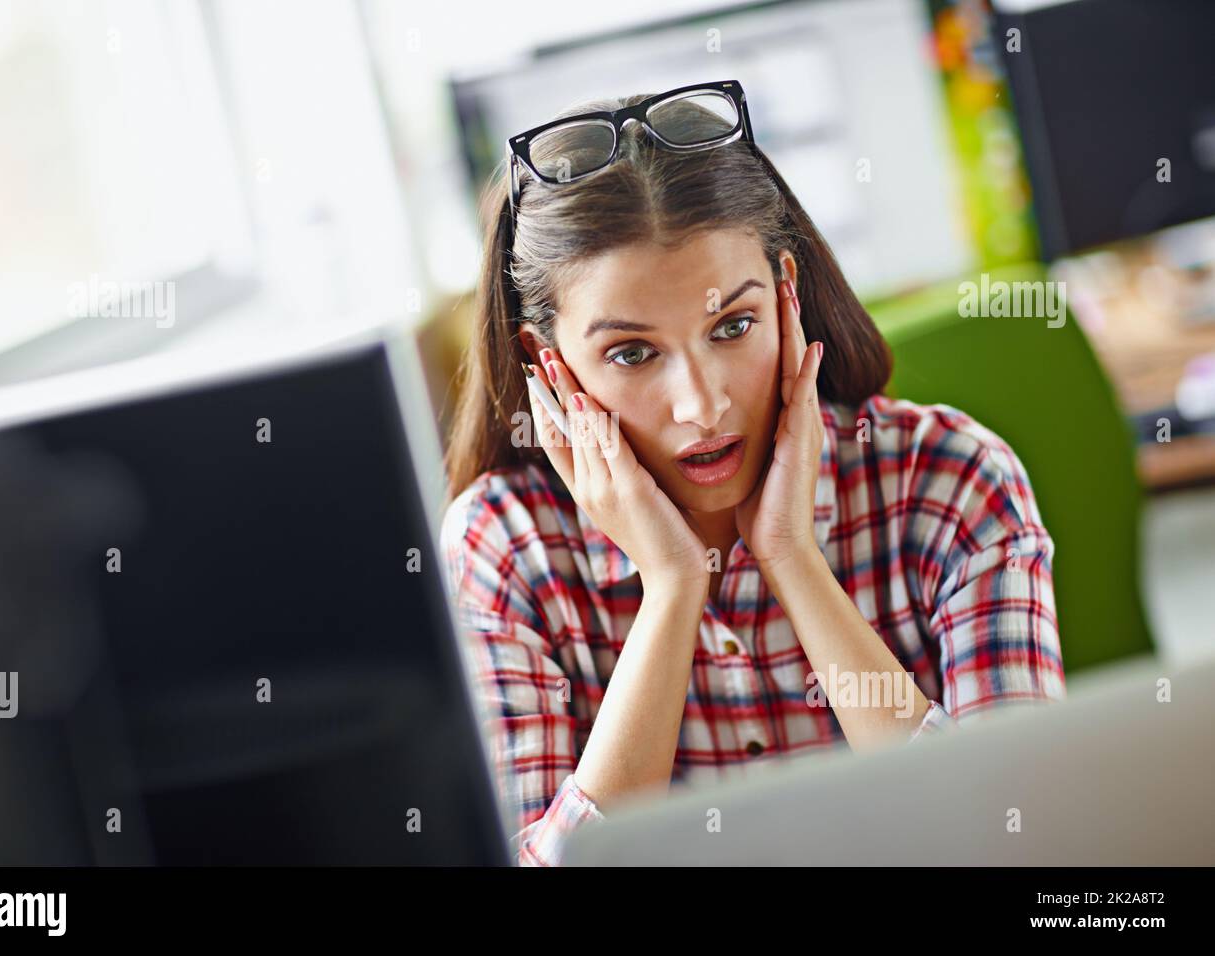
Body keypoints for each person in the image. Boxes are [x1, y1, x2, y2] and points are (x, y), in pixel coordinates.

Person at [439, 82, 1065, 867]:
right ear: (547, 366)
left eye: (733, 326)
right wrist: (670, 589)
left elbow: (1024, 847)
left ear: (786, 295)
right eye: (633, 353)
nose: (702, 407)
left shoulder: (951, 483)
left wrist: (792, 560)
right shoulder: (507, 548)